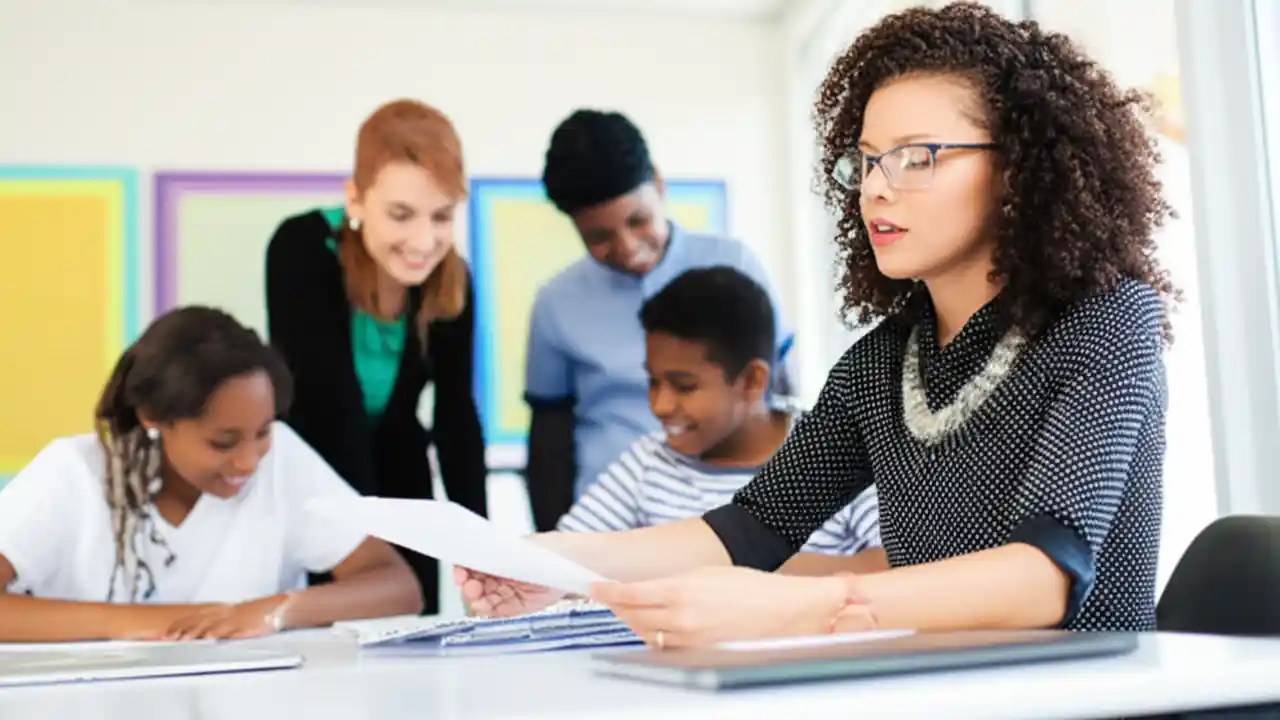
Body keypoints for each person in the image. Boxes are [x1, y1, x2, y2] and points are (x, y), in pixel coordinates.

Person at [458, 2, 1175, 644]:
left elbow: (1043, 581)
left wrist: (791, 607)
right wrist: (550, 562)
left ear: (1019, 169)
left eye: (916, 158)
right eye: (864, 162)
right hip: (939, 694)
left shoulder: (1108, 323)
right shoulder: (880, 365)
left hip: (1086, 697)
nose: (875, 187)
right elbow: (745, 532)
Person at [0, 307, 422, 642]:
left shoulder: (284, 460)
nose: (249, 461)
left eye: (262, 432)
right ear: (154, 418)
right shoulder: (73, 472)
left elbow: (397, 586)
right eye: (223, 442)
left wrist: (269, 611)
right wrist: (157, 623)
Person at [525, 108, 796, 532]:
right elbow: (548, 444)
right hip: (609, 522)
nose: (629, 247)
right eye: (600, 237)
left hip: (739, 506)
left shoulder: (735, 266)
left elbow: (780, 391)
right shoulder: (555, 303)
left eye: (638, 220)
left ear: (658, 182)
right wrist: (551, 552)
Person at [266, 99, 486, 614]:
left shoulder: (454, 284)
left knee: (417, 633)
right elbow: (328, 405)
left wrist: (482, 553)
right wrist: (372, 556)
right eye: (401, 215)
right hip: (317, 483)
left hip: (399, 479)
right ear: (356, 199)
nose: (423, 241)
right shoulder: (301, 249)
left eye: (442, 216)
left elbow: (455, 418)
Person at [559, 266, 881, 566]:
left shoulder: (835, 450)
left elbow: (895, 569)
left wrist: (718, 575)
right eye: (653, 382)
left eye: (684, 386)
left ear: (752, 380)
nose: (660, 405)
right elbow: (566, 558)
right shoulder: (649, 460)